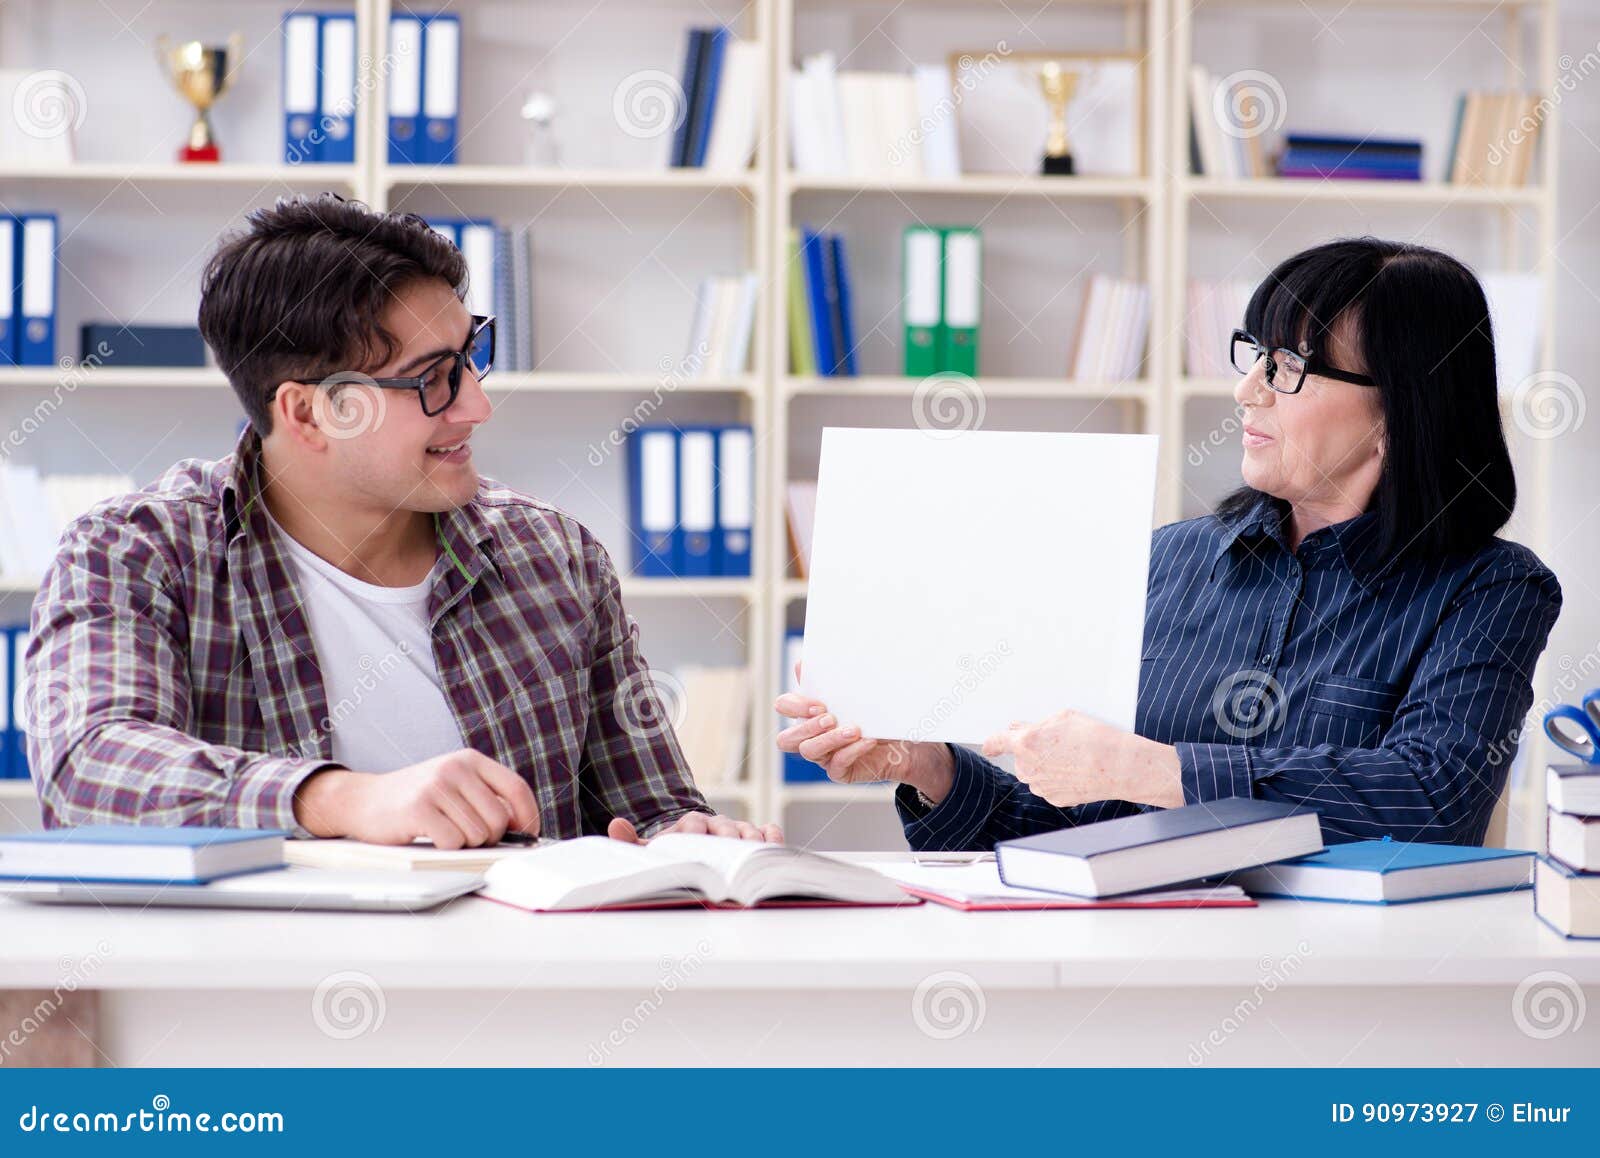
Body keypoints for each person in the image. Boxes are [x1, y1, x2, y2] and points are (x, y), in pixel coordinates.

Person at [27, 193, 780, 849]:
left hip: (523, 996)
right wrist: (345, 799)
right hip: (252, 997)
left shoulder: (557, 556)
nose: (477, 405)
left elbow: (653, 811)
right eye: (432, 379)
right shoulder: (134, 551)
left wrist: (688, 839)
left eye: (469, 357)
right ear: (310, 412)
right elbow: (87, 768)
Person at [776, 237, 1561, 850]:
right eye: (1254, 354)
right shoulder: (1168, 561)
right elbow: (1070, 834)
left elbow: (1433, 799)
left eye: (1289, 369)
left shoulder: (1491, 589)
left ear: (1398, 408)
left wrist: (1156, 769)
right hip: (1137, 971)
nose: (1246, 389)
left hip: (1341, 984)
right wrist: (929, 767)